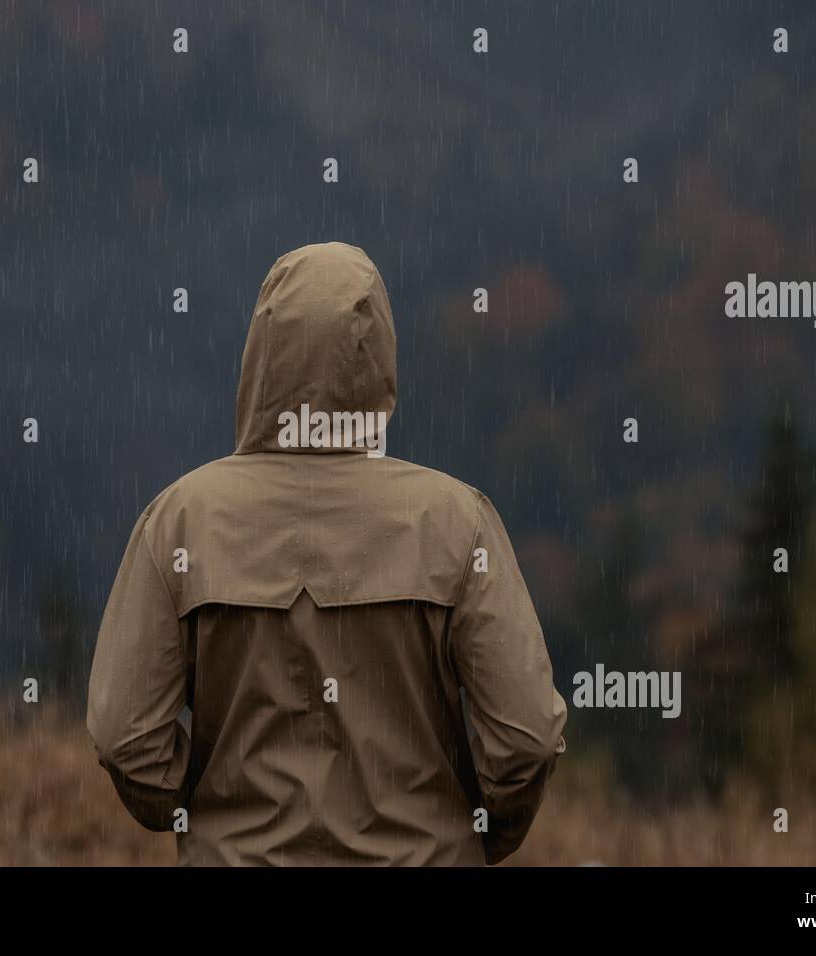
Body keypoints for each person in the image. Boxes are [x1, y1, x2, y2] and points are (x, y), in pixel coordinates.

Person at [86, 241, 568, 865]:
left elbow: (125, 738)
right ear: (379, 357)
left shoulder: (179, 521)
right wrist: (475, 832)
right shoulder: (454, 522)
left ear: (261, 352)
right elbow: (526, 739)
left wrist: (209, 810)